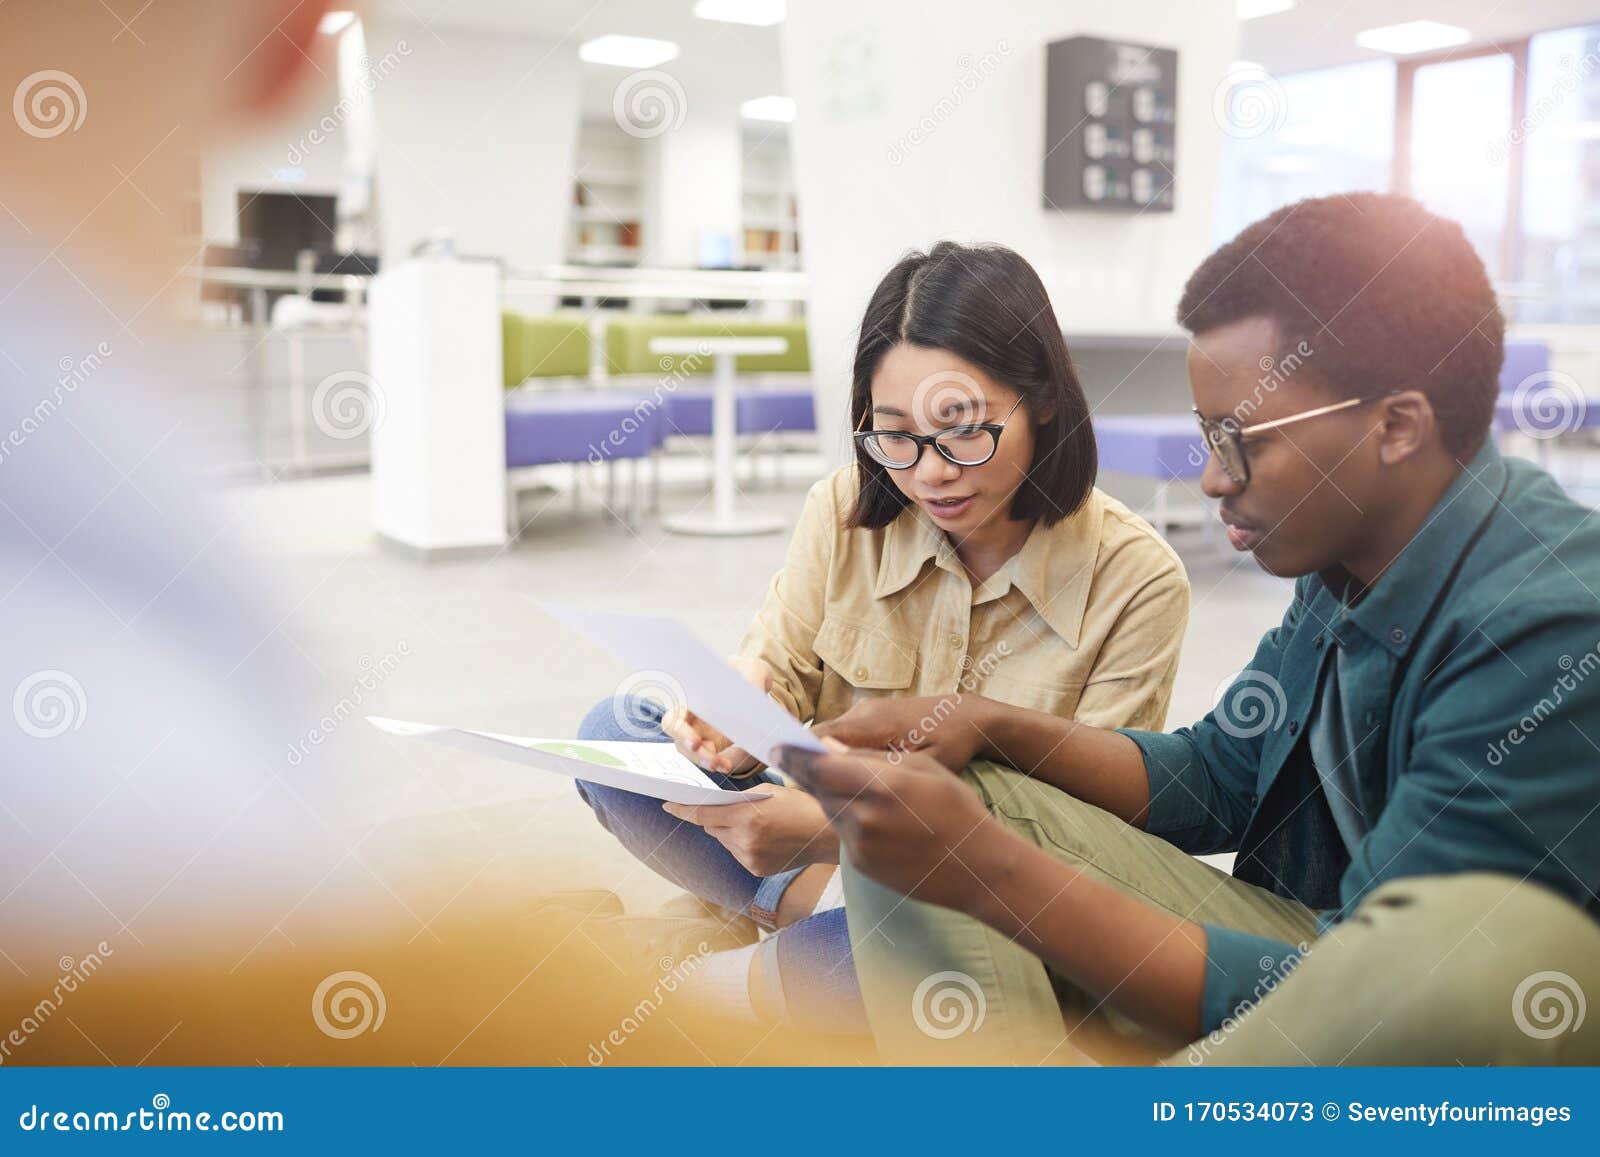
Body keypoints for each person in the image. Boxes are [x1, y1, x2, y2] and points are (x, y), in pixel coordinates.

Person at [783, 193, 1600, 1065]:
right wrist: (985, 722)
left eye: (1241, 440)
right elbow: (1221, 776)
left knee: (967, 852)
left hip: (1417, 1033)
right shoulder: (1357, 550)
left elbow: (1390, 1017)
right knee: (965, 787)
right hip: (1328, 949)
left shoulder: (1544, 630)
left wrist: (991, 872)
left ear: (1396, 425)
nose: (1211, 480)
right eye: (1208, 435)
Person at [574, 242, 1190, 1031]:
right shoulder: (842, 508)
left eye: (963, 431)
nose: (929, 472)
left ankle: (708, 953)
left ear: (1040, 400)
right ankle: (794, 931)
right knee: (614, 735)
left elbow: (1089, 844)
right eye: (893, 434)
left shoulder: (1136, 579)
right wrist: (734, 706)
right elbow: (778, 664)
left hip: (982, 900)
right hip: (806, 837)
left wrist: (833, 834)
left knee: (931, 964)